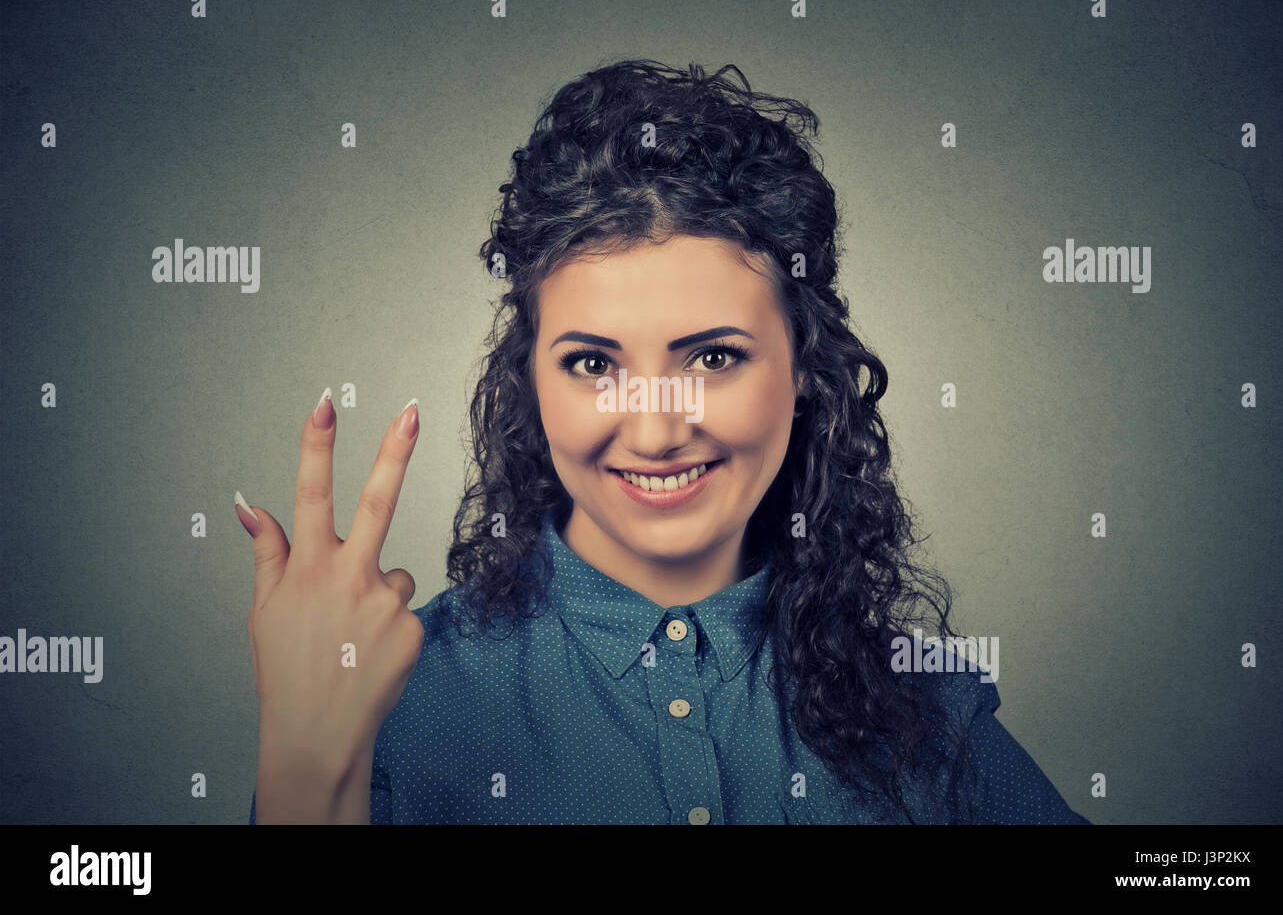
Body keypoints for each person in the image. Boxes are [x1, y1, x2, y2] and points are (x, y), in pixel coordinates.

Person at [242, 59, 1089, 824]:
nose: (653, 431)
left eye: (715, 357)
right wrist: (307, 774)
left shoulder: (925, 714)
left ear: (802, 368)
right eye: (591, 363)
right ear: (530, 379)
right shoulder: (387, 703)